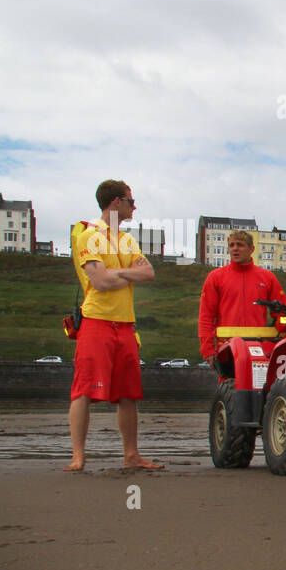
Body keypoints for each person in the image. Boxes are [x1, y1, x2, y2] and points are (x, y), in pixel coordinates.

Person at [66, 179, 163, 471]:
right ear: (115, 203)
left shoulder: (127, 240)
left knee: (128, 392)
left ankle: (131, 455)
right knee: (83, 388)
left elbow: (148, 274)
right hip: (96, 321)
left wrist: (117, 272)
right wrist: (126, 272)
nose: (134, 207)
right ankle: (78, 456)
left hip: (125, 324)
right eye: (130, 201)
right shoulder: (88, 235)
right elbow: (101, 281)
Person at [197, 230, 286, 364]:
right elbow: (206, 317)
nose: (235, 249)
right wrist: (208, 349)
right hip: (227, 348)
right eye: (231, 245)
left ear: (251, 249)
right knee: (229, 385)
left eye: (240, 245)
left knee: (259, 384)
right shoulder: (215, 277)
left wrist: (283, 338)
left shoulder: (268, 278)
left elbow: (283, 313)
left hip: (259, 347)